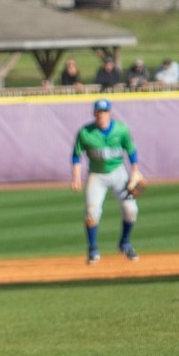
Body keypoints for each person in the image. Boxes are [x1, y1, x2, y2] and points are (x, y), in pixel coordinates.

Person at [70, 99, 142, 264]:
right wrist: (76, 177)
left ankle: (125, 243)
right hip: (97, 175)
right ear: (94, 113)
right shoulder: (85, 133)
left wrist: (135, 171)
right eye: (99, 111)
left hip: (119, 173)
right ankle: (93, 249)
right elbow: (76, 155)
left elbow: (131, 150)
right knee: (91, 212)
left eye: (104, 111)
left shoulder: (121, 129)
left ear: (110, 113)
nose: (101, 115)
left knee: (131, 210)